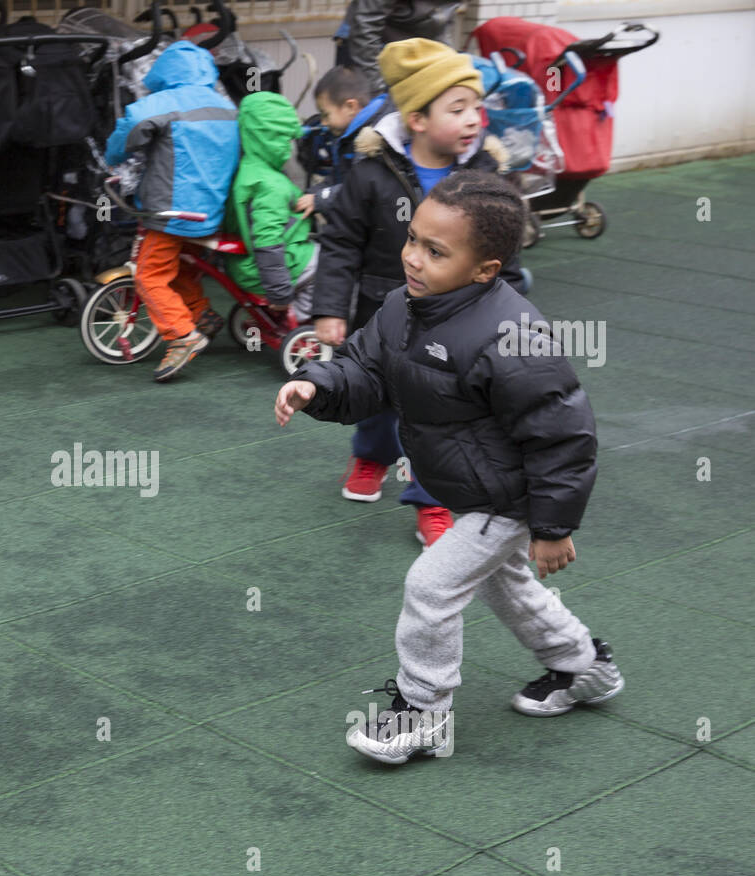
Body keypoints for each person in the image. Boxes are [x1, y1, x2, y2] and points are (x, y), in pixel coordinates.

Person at [275, 171, 623, 764]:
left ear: (484, 269)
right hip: (469, 482)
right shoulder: (403, 305)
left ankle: (425, 712)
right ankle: (584, 666)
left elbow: (561, 432)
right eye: (413, 239)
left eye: (436, 251)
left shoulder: (513, 334)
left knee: (430, 586)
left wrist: (552, 525)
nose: (413, 258)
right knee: (505, 584)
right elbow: (365, 370)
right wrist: (318, 385)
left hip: (508, 495)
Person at [309, 37, 527, 548]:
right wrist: (329, 309)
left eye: (477, 106)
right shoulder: (369, 176)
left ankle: (433, 497)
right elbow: (340, 243)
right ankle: (371, 453)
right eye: (458, 108)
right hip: (382, 311)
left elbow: (506, 251)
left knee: (445, 413)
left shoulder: (484, 179)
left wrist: (513, 311)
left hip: (459, 319)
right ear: (417, 120)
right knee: (379, 398)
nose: (475, 117)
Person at [104, 40, 240, 383]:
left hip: (170, 213)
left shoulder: (161, 103)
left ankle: (181, 335)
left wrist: (113, 157)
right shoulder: (227, 107)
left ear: (164, 72)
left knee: (148, 275)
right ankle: (201, 314)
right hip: (210, 213)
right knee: (178, 270)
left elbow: (129, 129)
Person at [224, 92, 320, 325]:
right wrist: (279, 294)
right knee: (331, 263)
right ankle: (302, 319)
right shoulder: (269, 186)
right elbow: (268, 242)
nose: (288, 149)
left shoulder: (250, 171)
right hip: (266, 268)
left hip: (248, 263)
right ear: (269, 138)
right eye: (284, 140)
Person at [296, 64, 394, 219]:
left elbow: (362, 189)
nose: (323, 123)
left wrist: (320, 199)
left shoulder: (374, 140)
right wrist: (310, 194)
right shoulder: (347, 136)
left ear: (350, 106)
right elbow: (338, 177)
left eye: (325, 114)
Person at [334, 1, 462, 94]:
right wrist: (378, 89)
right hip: (366, 42)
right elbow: (365, 27)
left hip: (408, 39)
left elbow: (442, 24)